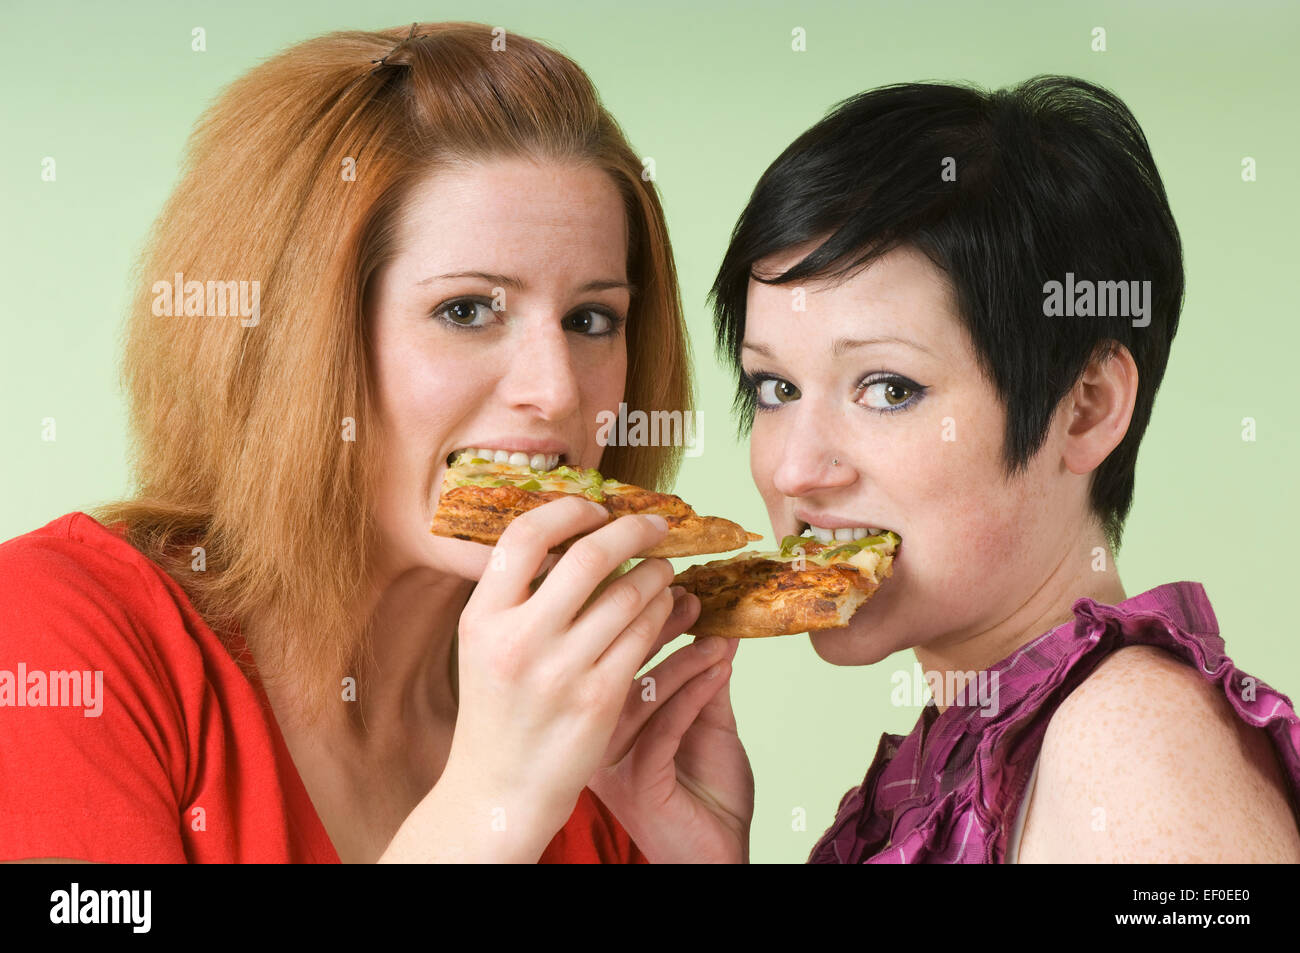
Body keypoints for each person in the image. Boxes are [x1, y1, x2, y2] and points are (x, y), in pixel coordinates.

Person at [0, 21, 751, 864]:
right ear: (290, 342)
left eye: (590, 318)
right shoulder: (55, 640)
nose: (559, 389)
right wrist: (488, 806)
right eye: (468, 309)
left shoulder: (601, 744)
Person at [696, 75, 1300, 862]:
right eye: (775, 388)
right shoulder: (970, 747)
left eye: (887, 388)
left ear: (1084, 406)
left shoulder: (1130, 742)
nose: (796, 470)